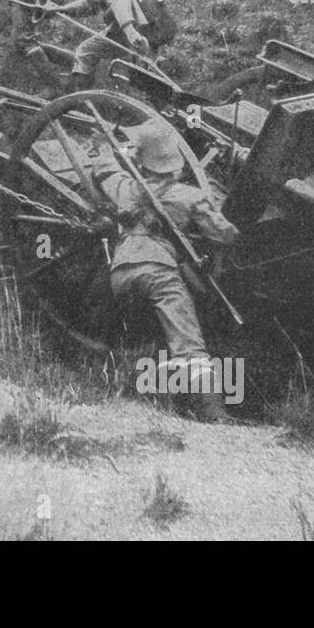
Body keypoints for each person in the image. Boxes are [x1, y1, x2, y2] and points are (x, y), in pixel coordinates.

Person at [102, 119, 241, 422]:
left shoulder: (125, 189)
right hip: (159, 272)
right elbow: (225, 234)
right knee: (188, 341)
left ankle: (159, 398)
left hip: (120, 273)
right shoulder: (189, 196)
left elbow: (104, 171)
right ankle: (214, 412)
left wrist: (114, 150)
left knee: (155, 329)